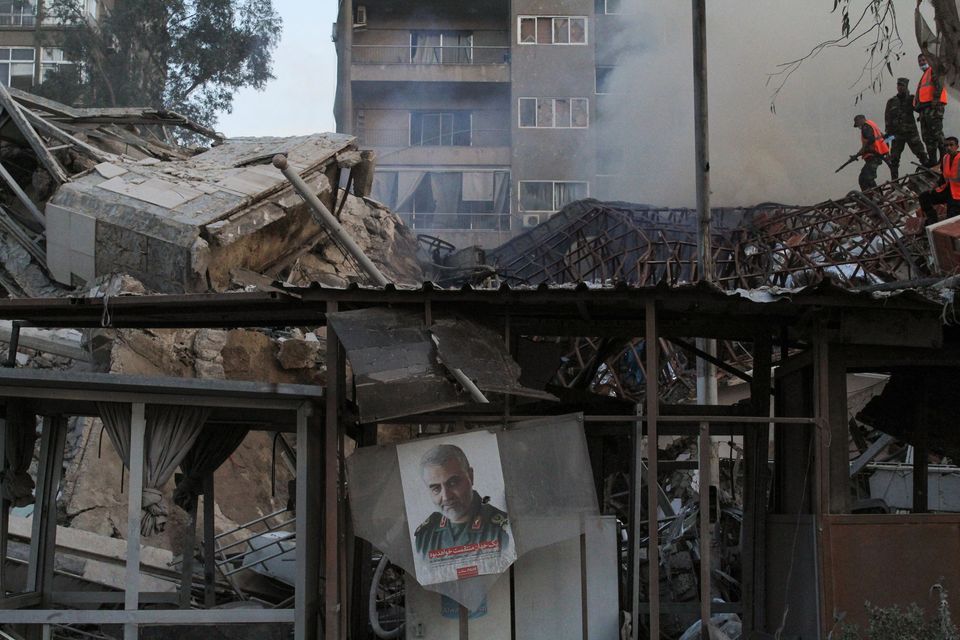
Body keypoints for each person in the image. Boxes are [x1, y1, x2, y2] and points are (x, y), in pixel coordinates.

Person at [414, 444, 510, 559]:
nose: (446, 497)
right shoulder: (425, 536)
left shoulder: (503, 531)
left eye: (453, 483)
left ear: (470, 476)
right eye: (436, 488)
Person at [885, 77, 929, 179]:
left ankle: (929, 172)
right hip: (896, 135)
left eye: (902, 86)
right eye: (898, 85)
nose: (900, 88)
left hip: (911, 133)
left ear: (906, 87)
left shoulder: (911, 99)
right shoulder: (891, 101)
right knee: (894, 159)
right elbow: (887, 119)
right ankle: (895, 181)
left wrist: (922, 117)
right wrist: (888, 136)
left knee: (921, 154)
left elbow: (920, 109)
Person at [915, 52, 948, 166]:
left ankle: (945, 158)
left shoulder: (933, 70)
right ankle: (933, 161)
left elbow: (939, 83)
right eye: (920, 61)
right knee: (927, 137)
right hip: (925, 109)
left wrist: (936, 99)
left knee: (937, 134)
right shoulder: (924, 76)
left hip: (933, 107)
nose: (922, 63)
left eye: (924, 60)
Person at [918, 136, 960, 226]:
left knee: (951, 219)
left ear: (957, 146)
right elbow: (943, 175)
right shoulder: (945, 158)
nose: (948, 147)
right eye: (946, 145)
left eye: (951, 145)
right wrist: (936, 185)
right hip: (948, 190)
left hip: (958, 195)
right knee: (924, 197)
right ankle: (932, 220)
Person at [851, 114, 890, 191]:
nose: (859, 127)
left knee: (864, 179)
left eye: (858, 124)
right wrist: (886, 152)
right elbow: (886, 138)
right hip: (877, 156)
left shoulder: (866, 127)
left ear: (860, 120)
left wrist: (859, 153)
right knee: (868, 179)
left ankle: (871, 197)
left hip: (873, 156)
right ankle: (876, 195)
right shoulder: (873, 125)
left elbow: (869, 142)